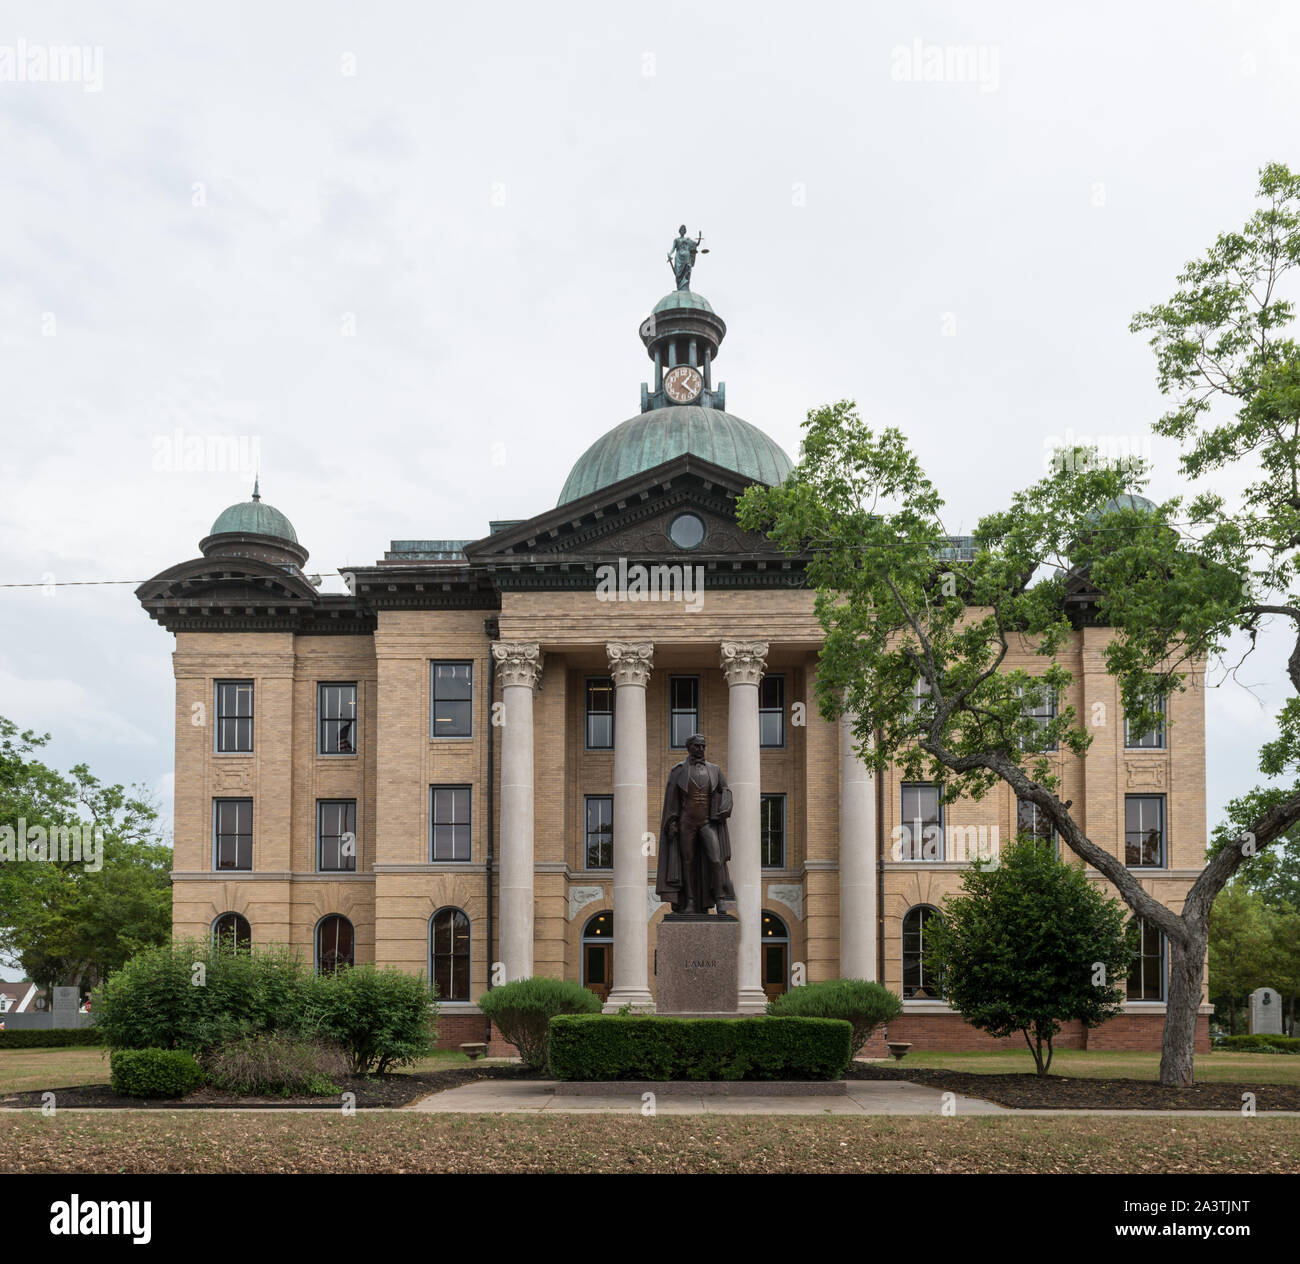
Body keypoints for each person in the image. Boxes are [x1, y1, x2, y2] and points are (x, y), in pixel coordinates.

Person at [655, 733, 735, 914]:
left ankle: (720, 898)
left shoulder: (715, 770)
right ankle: (690, 900)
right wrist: (672, 822)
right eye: (697, 746)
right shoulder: (678, 771)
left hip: (707, 822)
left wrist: (726, 804)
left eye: (703, 746)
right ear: (689, 747)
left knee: (716, 859)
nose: (700, 749)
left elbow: (725, 789)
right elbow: (672, 800)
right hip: (686, 822)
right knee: (688, 862)